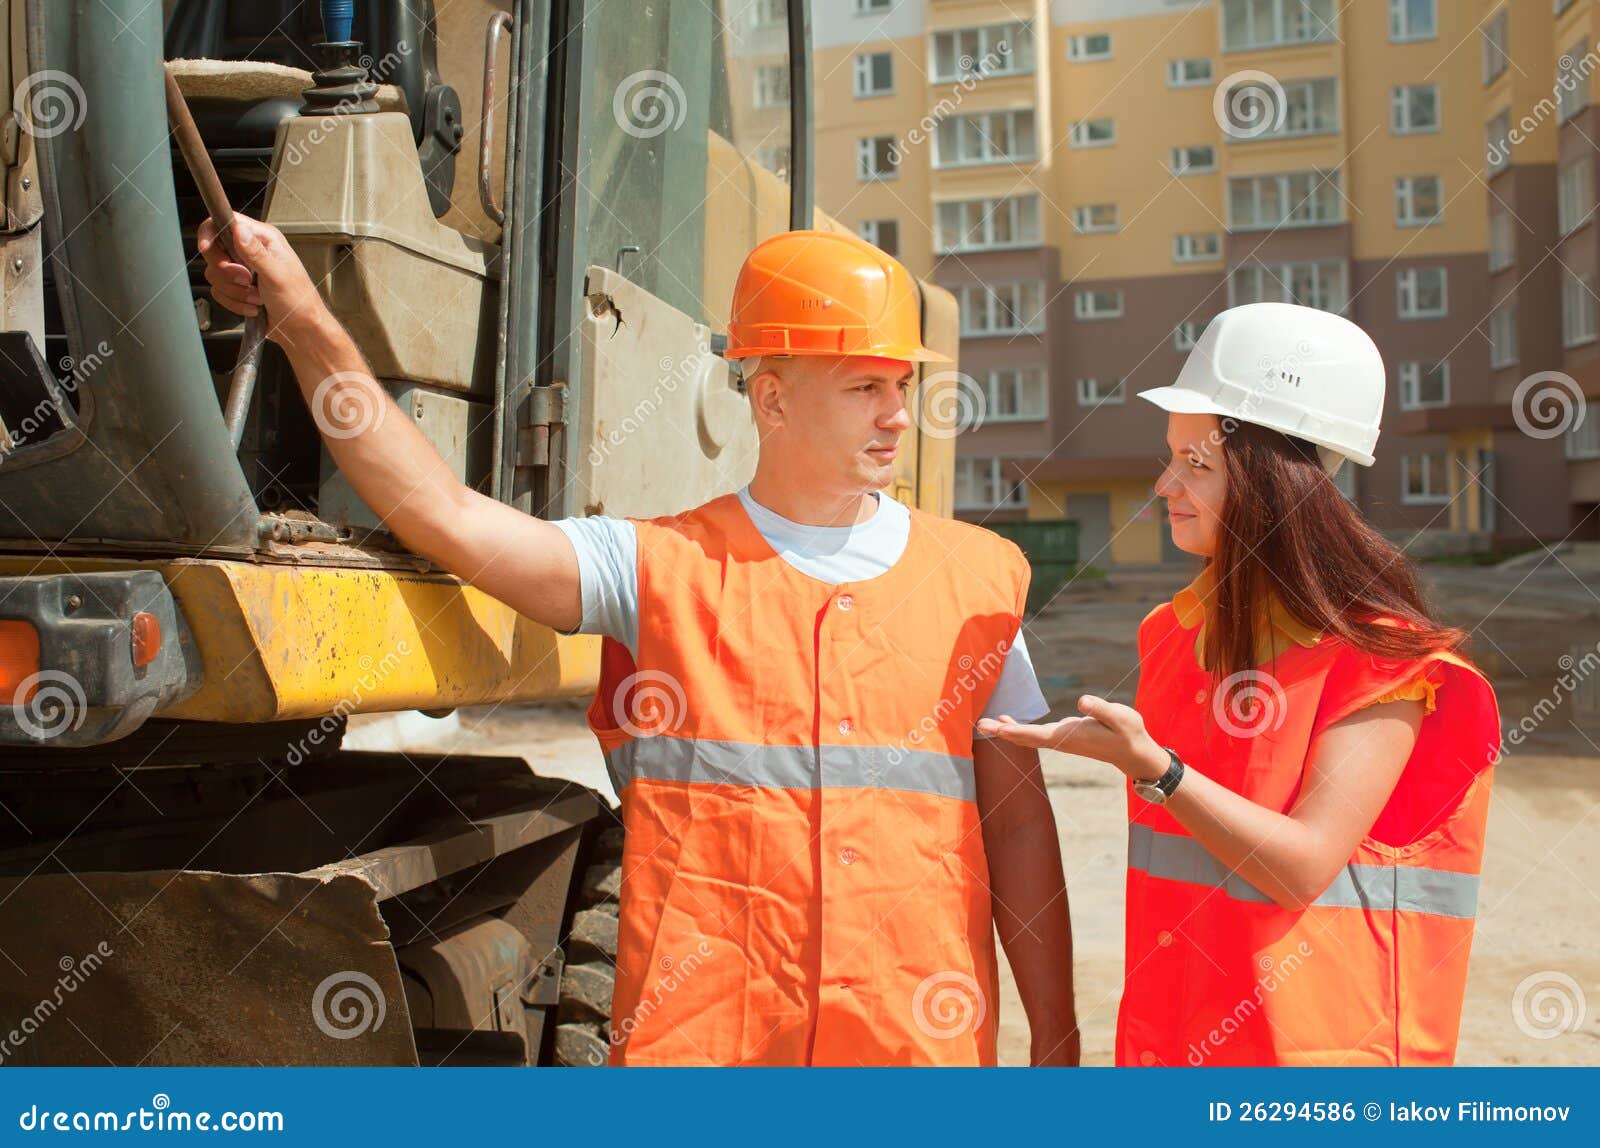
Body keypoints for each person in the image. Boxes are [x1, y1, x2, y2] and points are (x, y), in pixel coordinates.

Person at [198, 218, 1079, 1066]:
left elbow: (1021, 832)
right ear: (770, 396)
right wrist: (304, 320)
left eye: (901, 386)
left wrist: (1056, 1037)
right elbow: (444, 514)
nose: (896, 416)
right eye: (863, 387)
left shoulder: (977, 584)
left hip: (910, 1063)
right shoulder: (655, 566)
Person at [982, 303, 1500, 1066]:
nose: (1164, 483)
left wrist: (1155, 769)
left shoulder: (1385, 659)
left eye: (1196, 463)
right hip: (1171, 1048)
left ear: (1274, 483)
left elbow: (1301, 866)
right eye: (1171, 456)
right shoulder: (1172, 635)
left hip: (1313, 1069)